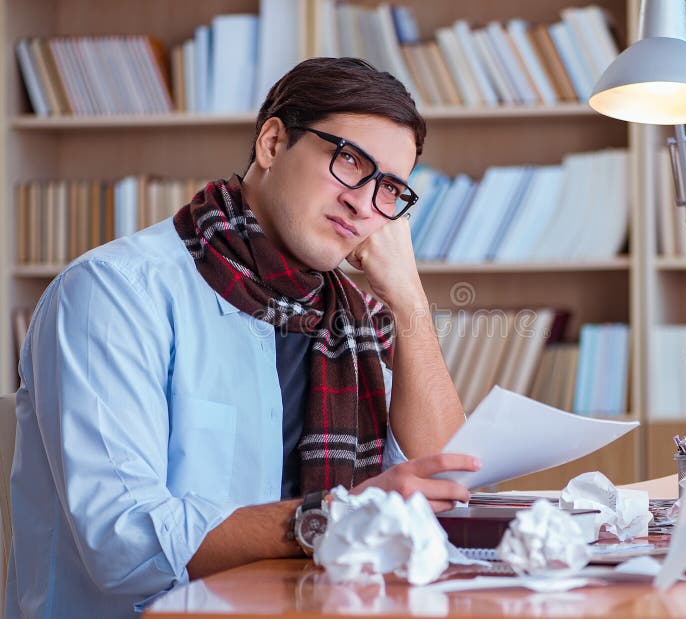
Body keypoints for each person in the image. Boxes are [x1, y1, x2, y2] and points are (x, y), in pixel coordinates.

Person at [5, 57, 478, 618]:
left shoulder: (358, 318)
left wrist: (410, 302)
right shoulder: (114, 293)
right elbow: (124, 544)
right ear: (273, 143)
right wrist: (337, 514)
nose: (363, 202)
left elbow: (447, 482)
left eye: (389, 190)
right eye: (350, 161)